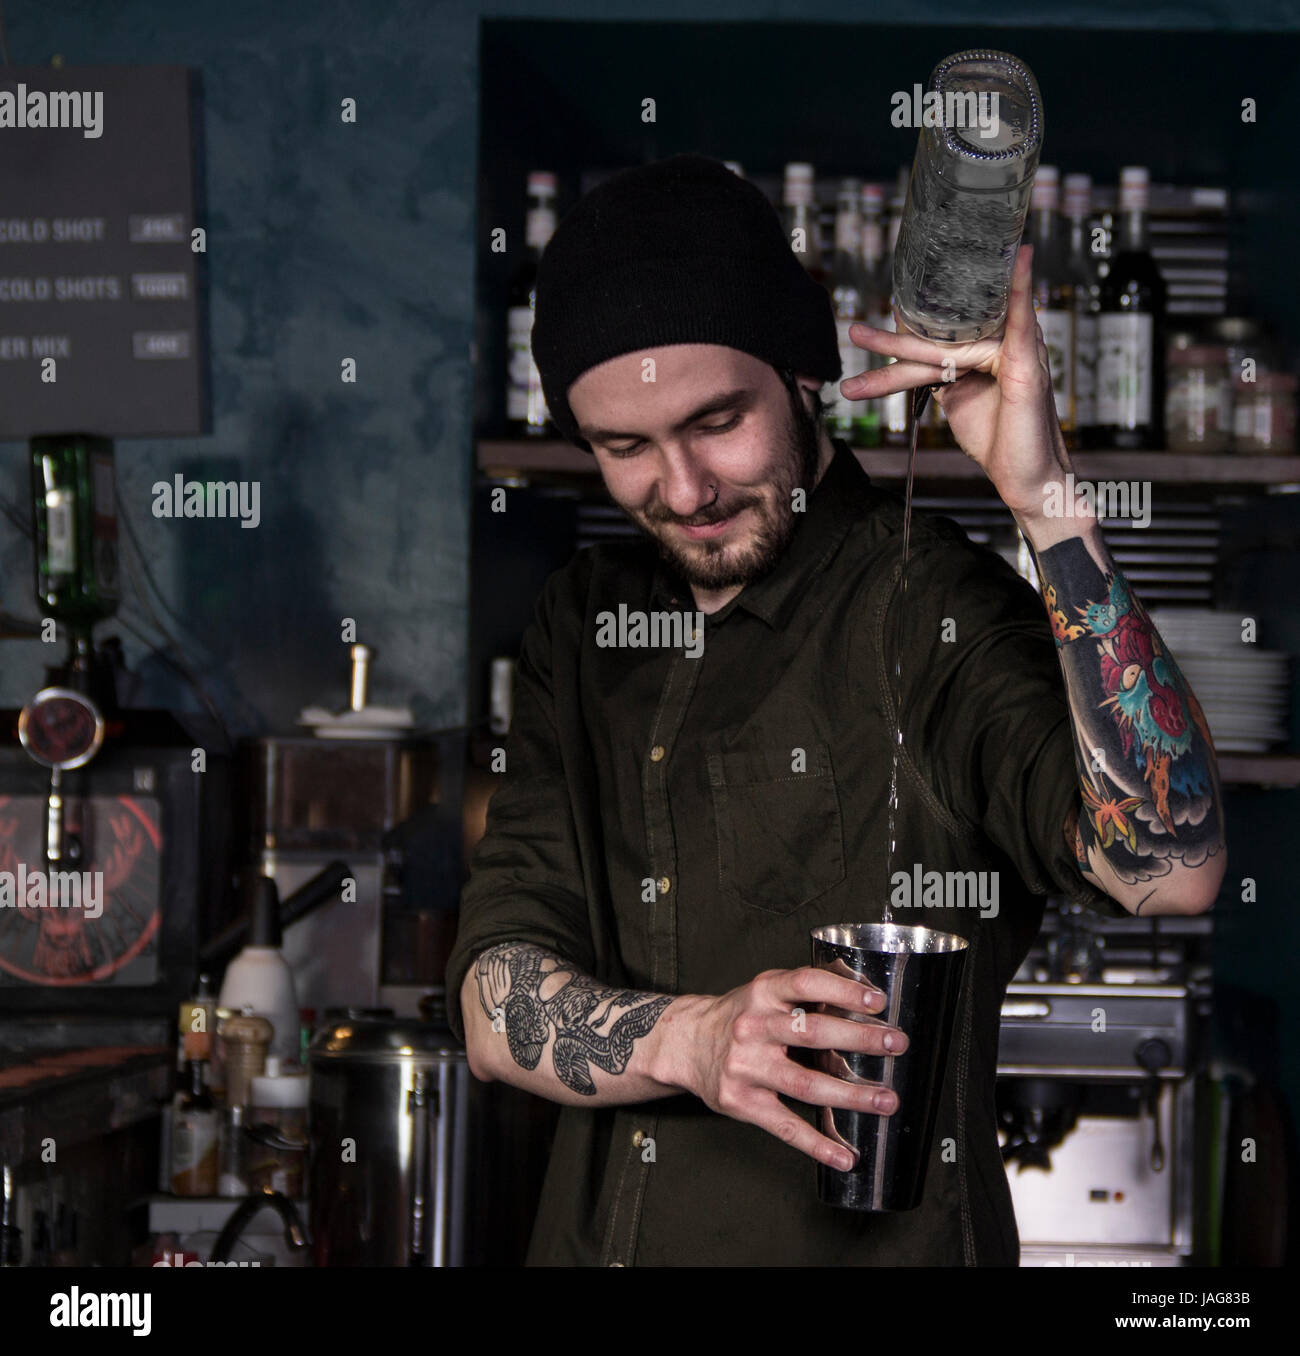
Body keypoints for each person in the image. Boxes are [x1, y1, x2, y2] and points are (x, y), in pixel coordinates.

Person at [444, 154, 1226, 1266]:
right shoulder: (584, 627)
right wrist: (694, 1039)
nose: (682, 490)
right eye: (625, 448)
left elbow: (1170, 866)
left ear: (800, 373)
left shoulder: (925, 604)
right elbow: (490, 1004)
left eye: (717, 421)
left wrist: (1042, 494)